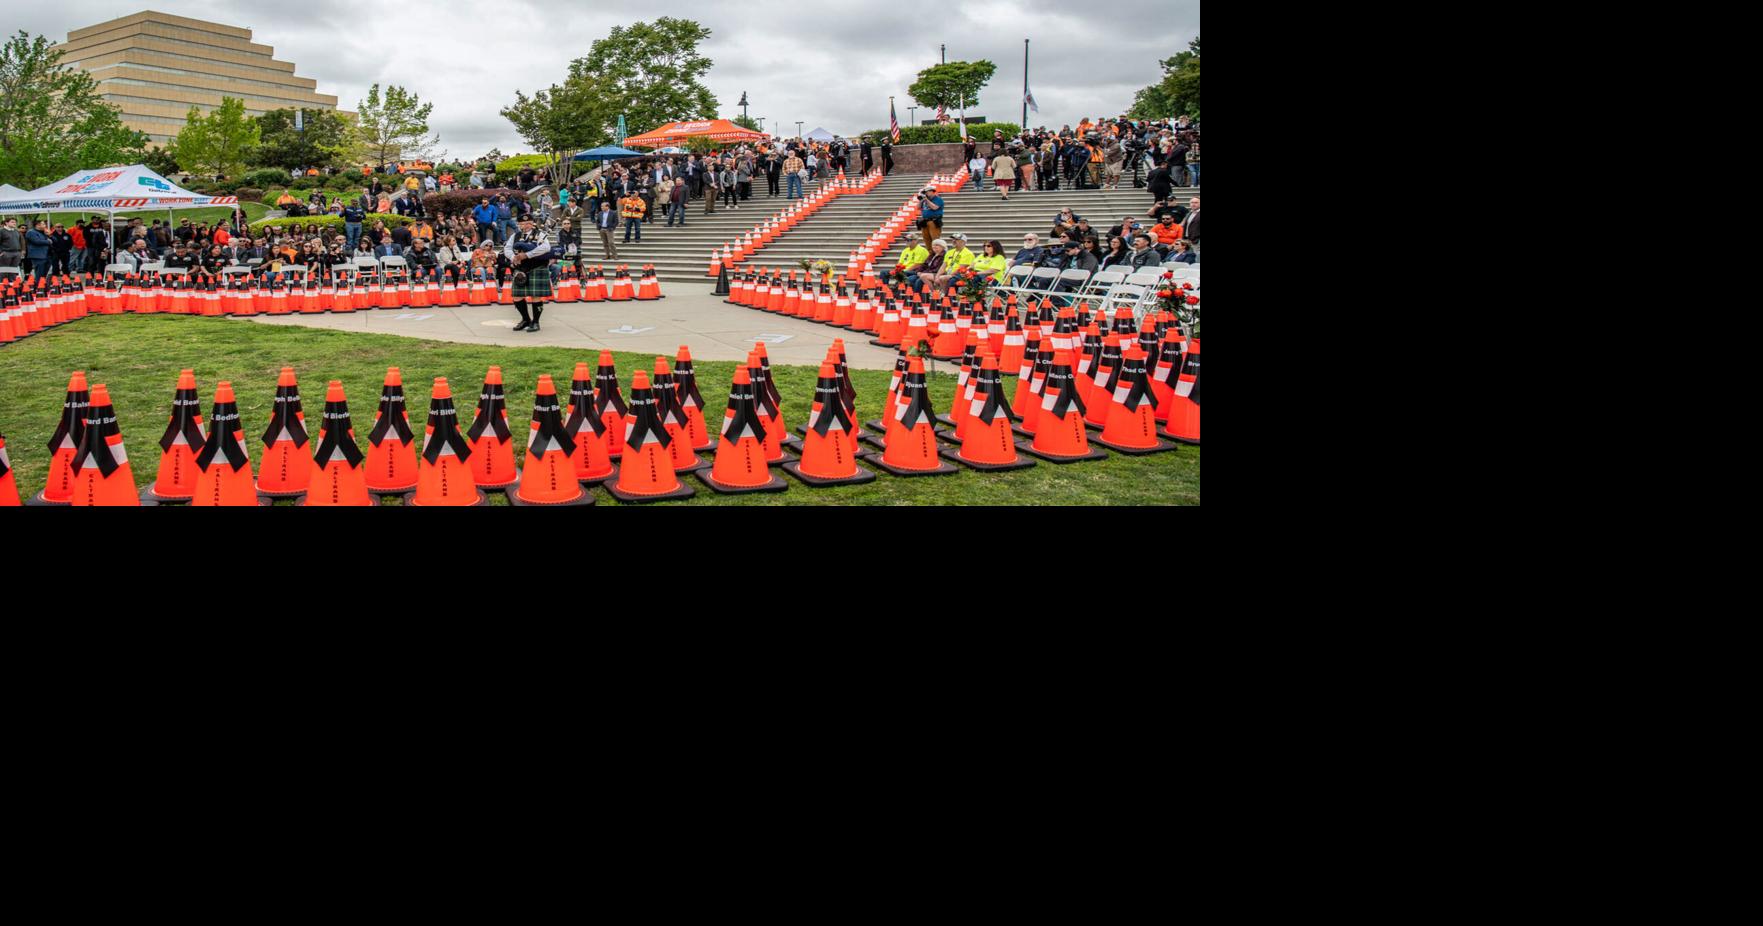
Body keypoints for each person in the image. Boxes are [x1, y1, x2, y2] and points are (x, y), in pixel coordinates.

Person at [505, 214, 553, 332]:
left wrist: (527, 255)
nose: (525, 226)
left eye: (528, 223)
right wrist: (513, 257)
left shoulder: (540, 234)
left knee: (535, 297)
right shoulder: (515, 235)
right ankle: (526, 319)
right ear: (519, 225)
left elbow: (546, 248)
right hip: (521, 269)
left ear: (532, 223)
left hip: (537, 268)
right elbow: (507, 248)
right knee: (517, 297)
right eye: (522, 224)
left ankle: (536, 322)